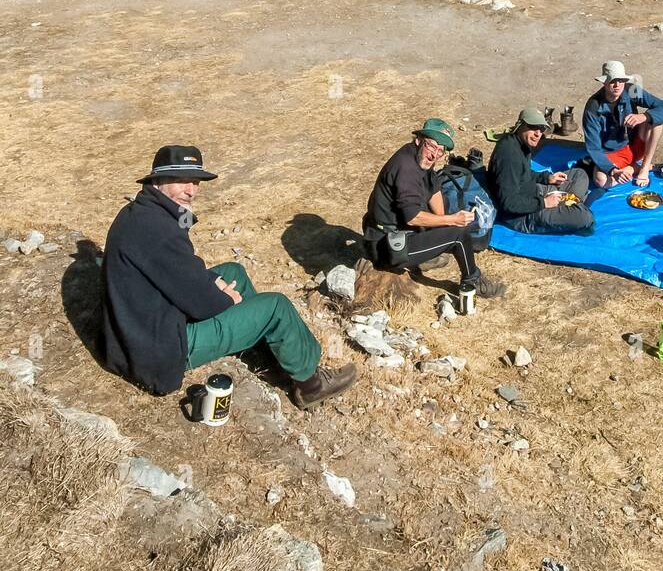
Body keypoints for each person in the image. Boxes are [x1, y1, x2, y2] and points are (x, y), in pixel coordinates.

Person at [102, 145, 356, 409]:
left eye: (195, 182)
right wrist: (226, 299)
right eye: (181, 180)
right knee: (275, 307)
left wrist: (213, 284)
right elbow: (201, 303)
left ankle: (267, 346)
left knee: (234, 272)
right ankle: (311, 385)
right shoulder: (157, 231)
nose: (191, 190)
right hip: (161, 350)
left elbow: (178, 268)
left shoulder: (143, 212)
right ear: (157, 180)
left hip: (145, 326)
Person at [363, 119, 506, 298]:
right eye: (431, 146)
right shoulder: (406, 168)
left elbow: (434, 188)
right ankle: (473, 281)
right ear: (418, 140)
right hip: (387, 246)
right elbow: (413, 218)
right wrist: (452, 221)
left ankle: (427, 254)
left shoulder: (416, 156)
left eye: (440, 150)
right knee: (459, 235)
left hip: (399, 232)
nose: (434, 155)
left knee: (447, 213)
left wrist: (443, 223)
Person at [488, 108, 595, 235]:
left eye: (541, 129)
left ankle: (570, 205)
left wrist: (547, 178)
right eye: (533, 127)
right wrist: (544, 202)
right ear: (520, 125)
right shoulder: (509, 155)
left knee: (579, 174)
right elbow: (508, 203)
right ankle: (571, 209)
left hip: (534, 192)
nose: (538, 133)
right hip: (523, 215)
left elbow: (523, 174)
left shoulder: (520, 143)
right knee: (585, 217)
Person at [582, 60, 663, 189]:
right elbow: (593, 148)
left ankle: (644, 168)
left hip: (634, 144)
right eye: (612, 81)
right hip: (613, 153)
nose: (617, 85)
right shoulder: (593, 107)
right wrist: (613, 171)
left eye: (621, 80)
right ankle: (639, 168)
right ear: (604, 82)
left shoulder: (631, 90)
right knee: (601, 180)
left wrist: (644, 116)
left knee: (656, 122)